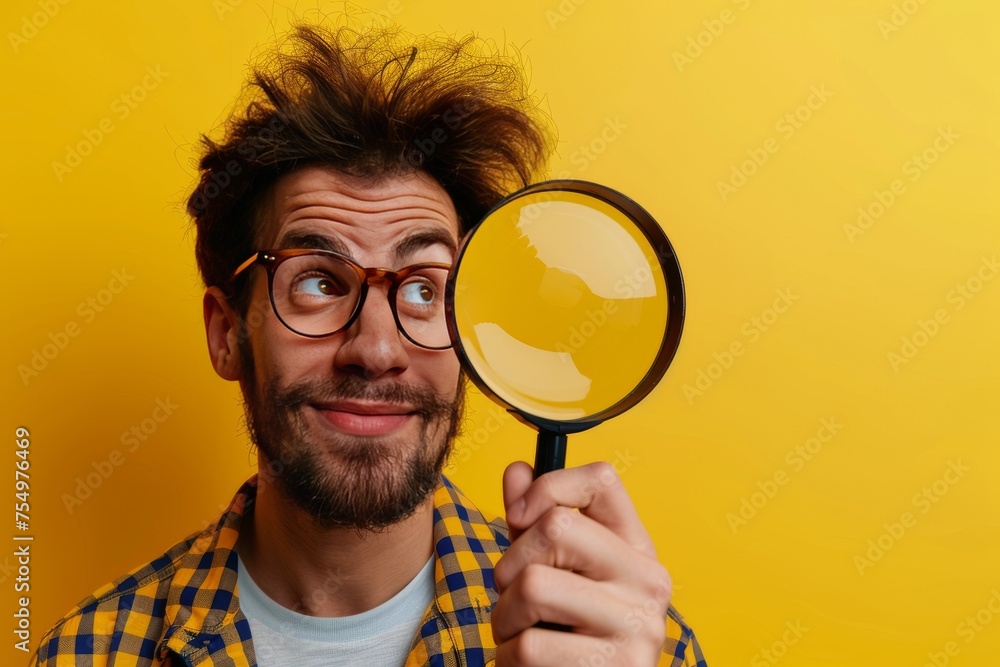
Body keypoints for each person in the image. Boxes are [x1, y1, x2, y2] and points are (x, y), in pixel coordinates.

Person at [32, 19, 706, 667]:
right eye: (319, 281)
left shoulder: (623, 643)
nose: (377, 349)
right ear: (227, 334)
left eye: (424, 289)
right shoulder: (88, 653)